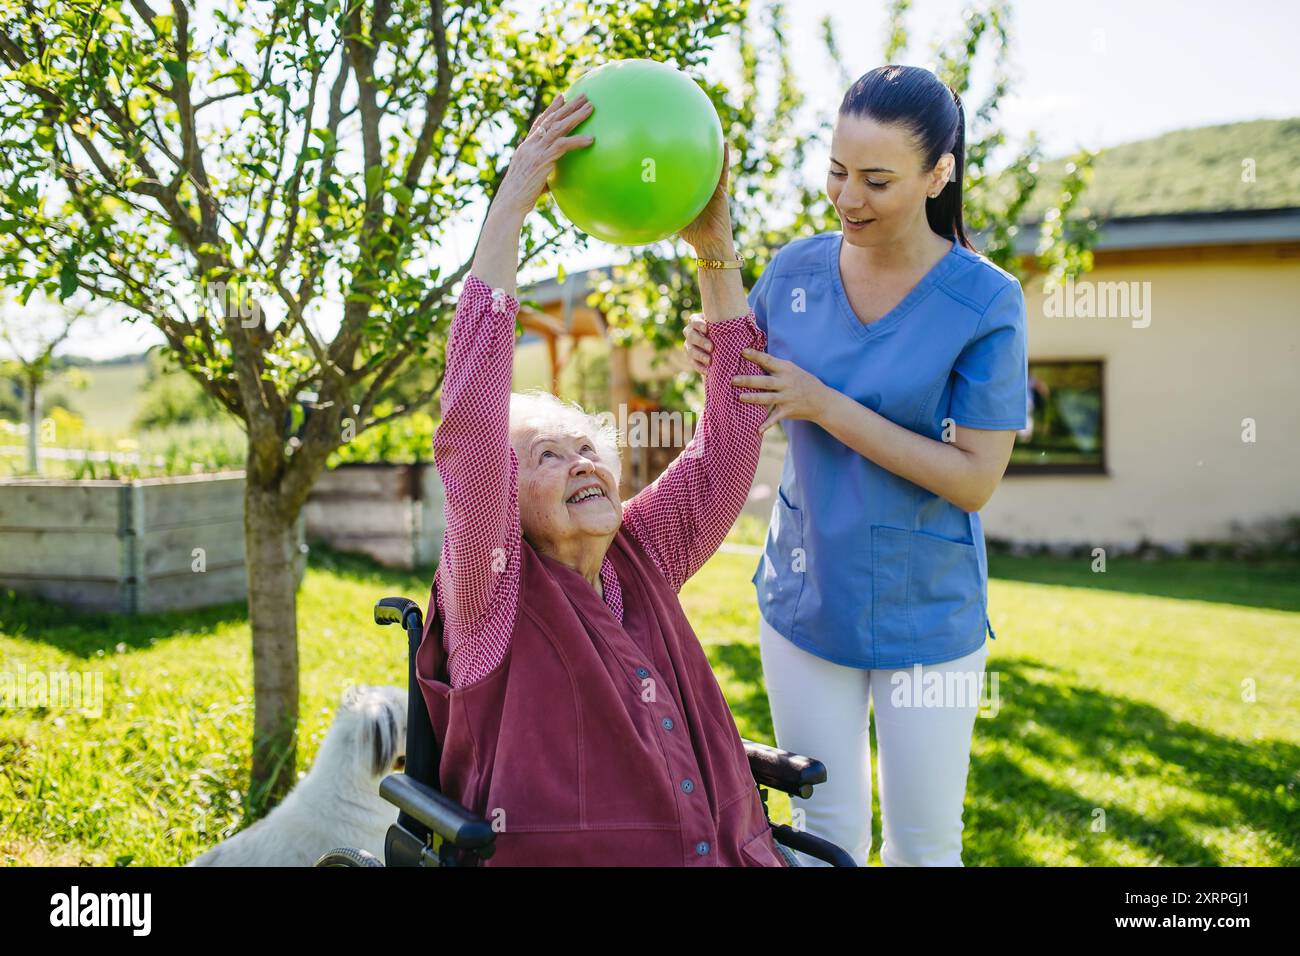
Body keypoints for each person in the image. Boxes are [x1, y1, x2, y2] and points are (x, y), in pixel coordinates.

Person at [415, 91, 793, 865]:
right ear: (505, 505)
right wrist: (511, 208)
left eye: (584, 447)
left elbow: (729, 440)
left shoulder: (642, 553)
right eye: (546, 456)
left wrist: (714, 249)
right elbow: (471, 432)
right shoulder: (493, 592)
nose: (580, 461)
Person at [686, 65, 1029, 866]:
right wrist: (712, 347)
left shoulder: (985, 301)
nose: (847, 198)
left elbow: (974, 478)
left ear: (939, 174)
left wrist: (825, 403)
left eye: (877, 179)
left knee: (923, 843)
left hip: (926, 612)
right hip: (807, 596)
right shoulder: (795, 273)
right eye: (837, 171)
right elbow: (742, 395)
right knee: (818, 836)